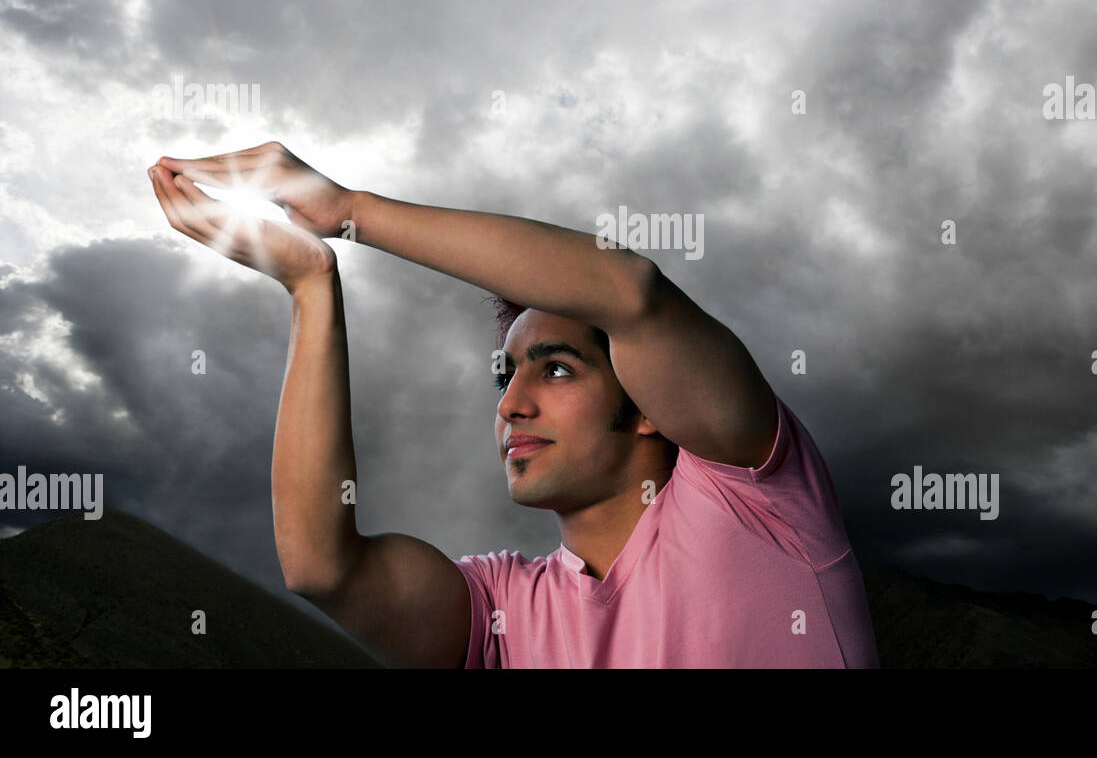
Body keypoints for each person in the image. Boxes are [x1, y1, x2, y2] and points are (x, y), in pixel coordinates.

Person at [149, 141, 879, 668]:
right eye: (505, 378)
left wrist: (348, 211)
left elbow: (628, 293)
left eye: (555, 370)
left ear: (649, 404)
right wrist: (311, 287)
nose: (512, 406)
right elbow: (322, 567)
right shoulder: (502, 607)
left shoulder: (755, 496)